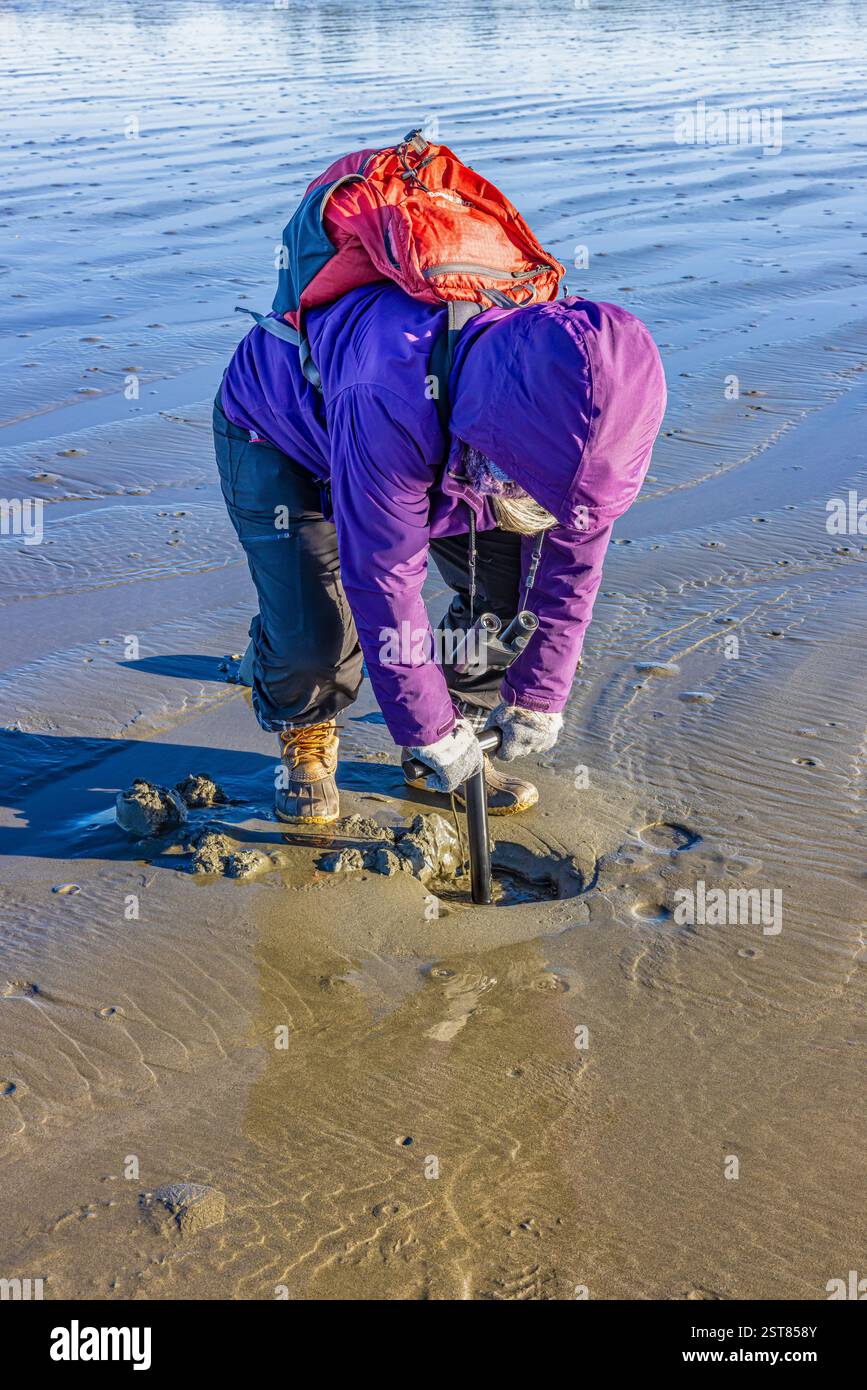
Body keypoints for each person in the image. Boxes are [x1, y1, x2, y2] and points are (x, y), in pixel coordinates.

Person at [214, 283, 666, 823]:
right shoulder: (393, 394)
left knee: (504, 606)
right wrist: (426, 727)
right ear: (499, 460)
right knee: (319, 636)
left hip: (445, 449)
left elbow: (568, 577)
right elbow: (384, 580)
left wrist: (537, 699)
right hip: (281, 436)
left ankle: (457, 727)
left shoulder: (588, 440)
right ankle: (304, 722)